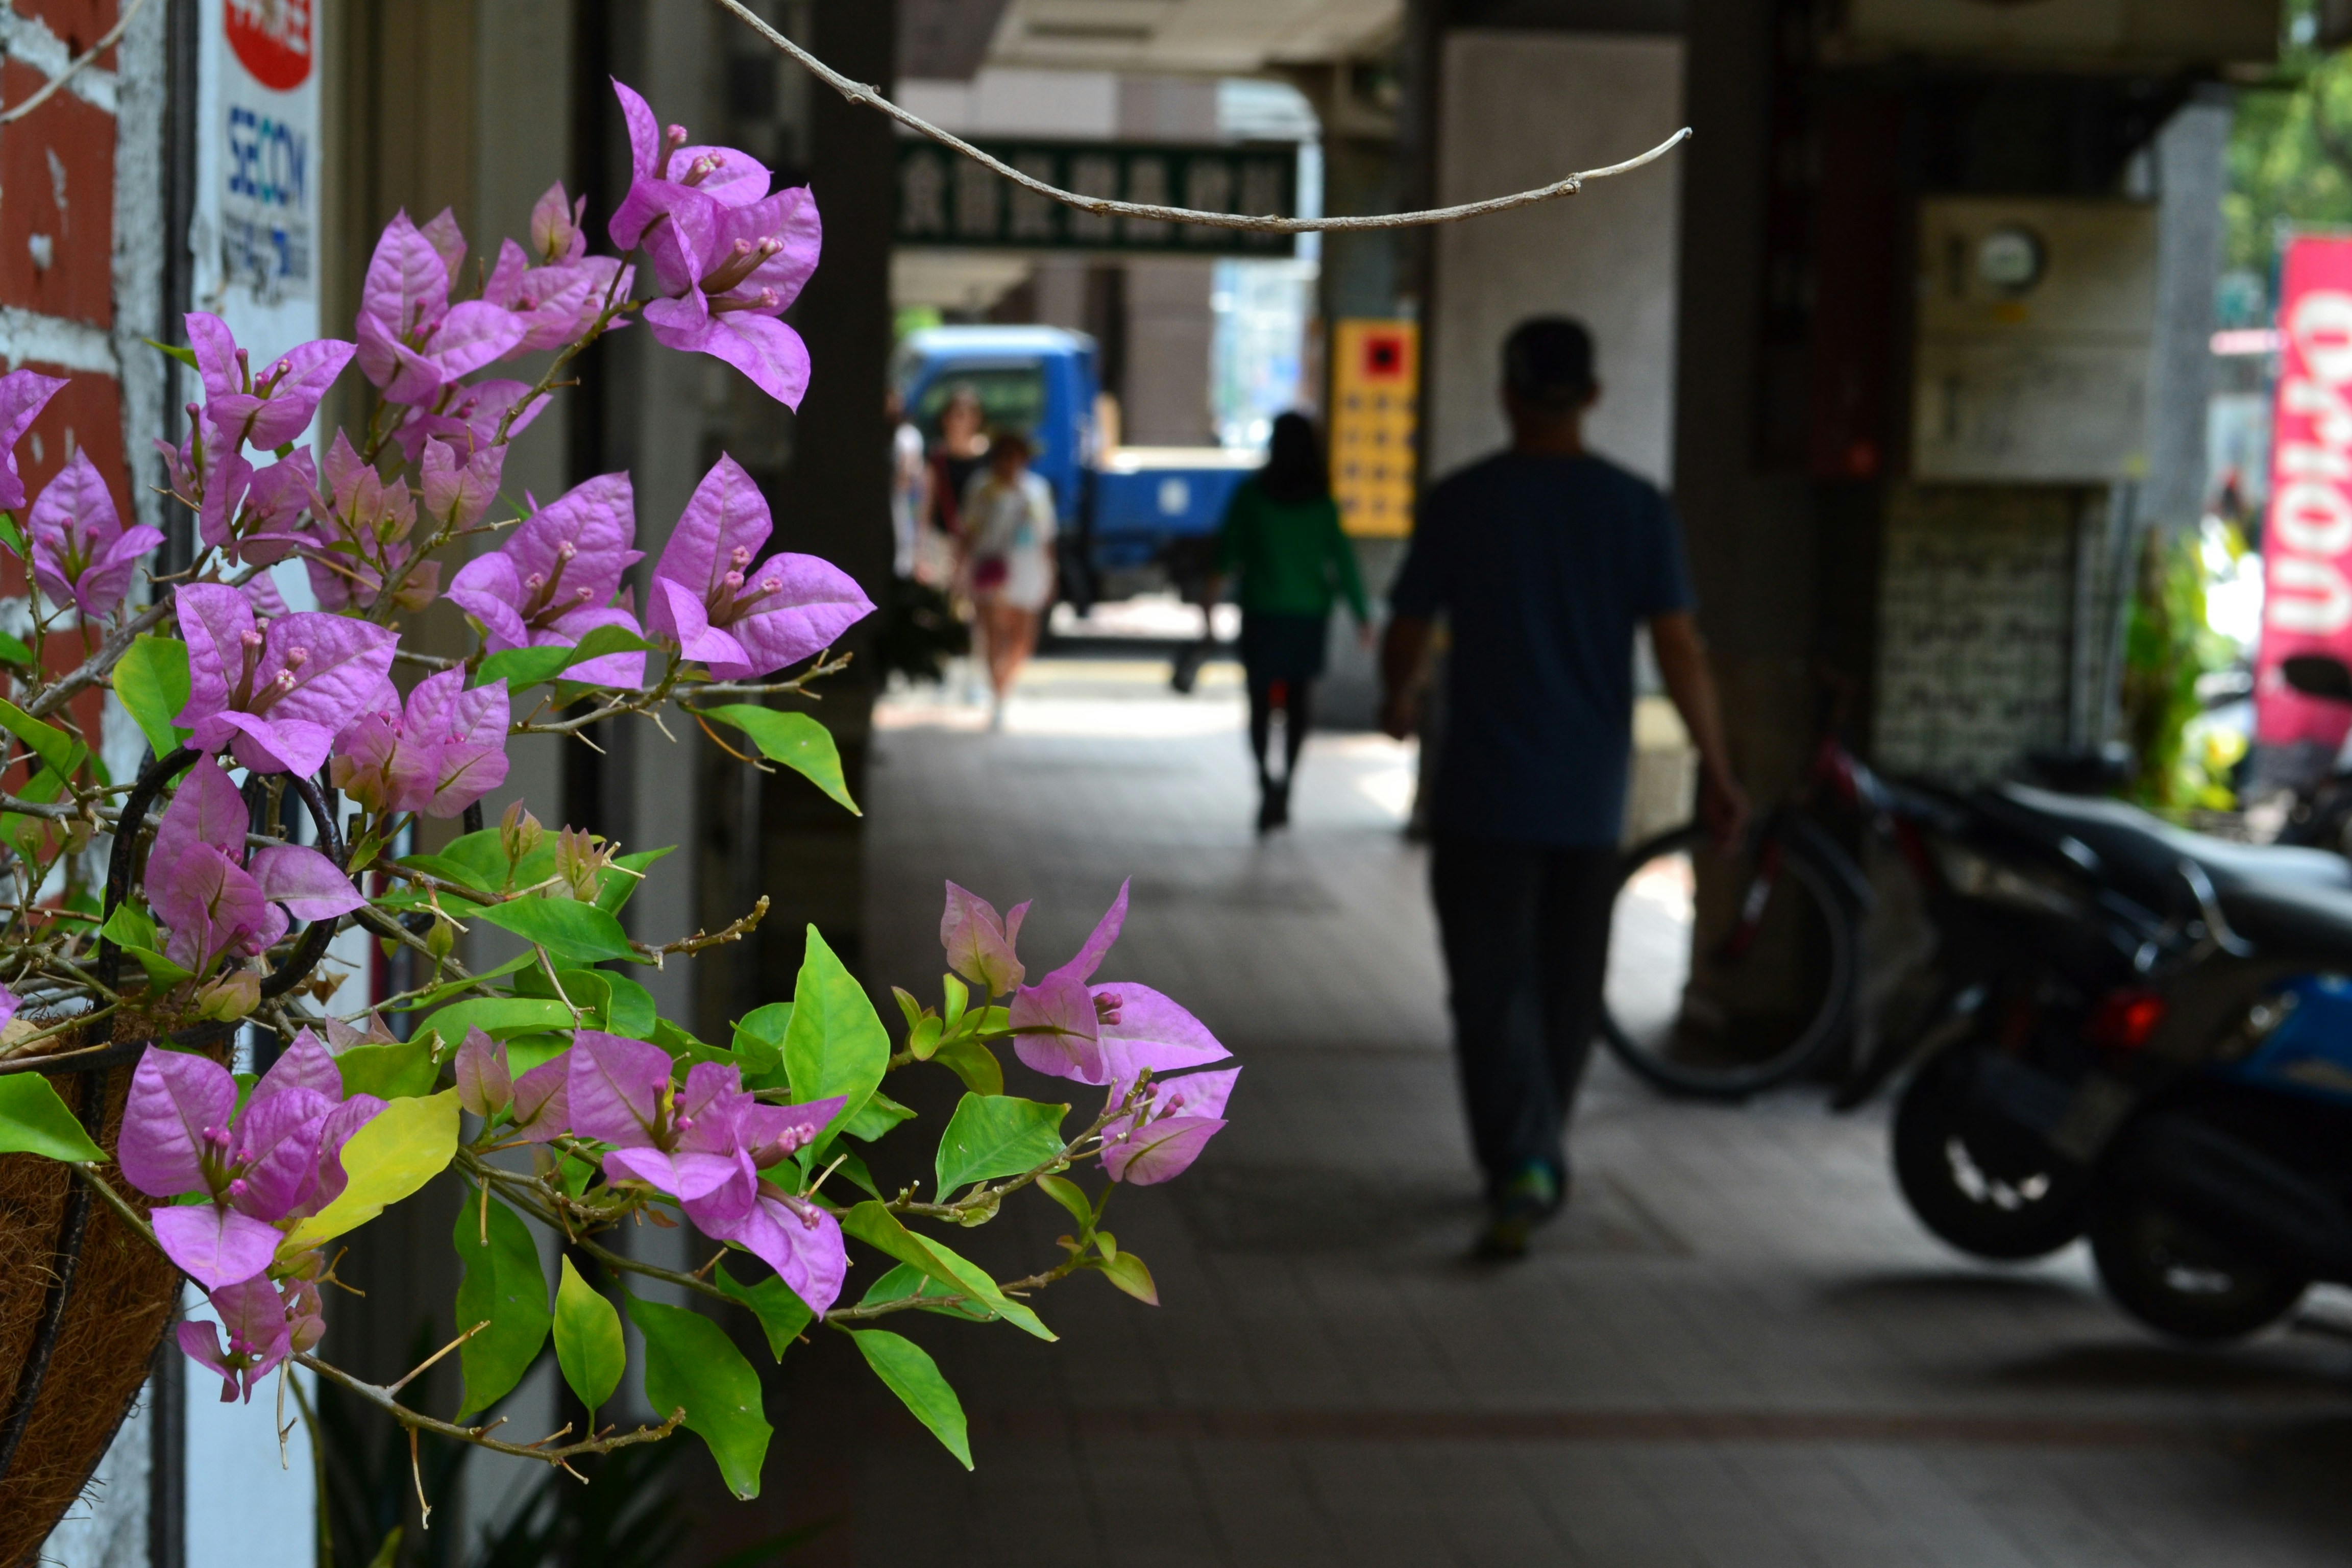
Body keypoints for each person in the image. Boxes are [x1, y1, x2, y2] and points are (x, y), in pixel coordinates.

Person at [1379, 316, 1748, 1260]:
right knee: (1567, 985)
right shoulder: (1635, 508)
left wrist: (1397, 697)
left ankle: (1523, 1161)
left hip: (1479, 797)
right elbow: (1679, 648)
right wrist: (1717, 764)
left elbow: (1409, 622)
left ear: (1505, 394)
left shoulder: (1462, 502)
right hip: (1587, 800)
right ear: (1590, 395)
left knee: (1488, 987)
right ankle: (1535, 1155)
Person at [1210, 412, 1370, 831]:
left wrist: (1207, 609)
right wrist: (1363, 615)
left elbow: (1225, 556)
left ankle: (1266, 780)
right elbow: (1344, 563)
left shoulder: (1250, 496)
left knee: (1260, 704)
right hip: (1308, 616)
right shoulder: (1322, 503)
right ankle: (1288, 785)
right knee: (1298, 705)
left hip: (1262, 613)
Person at [959, 428, 1058, 729]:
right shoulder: (982, 489)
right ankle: (999, 695)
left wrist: (1052, 573)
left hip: (1028, 571)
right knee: (991, 634)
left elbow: (1048, 536)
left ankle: (1003, 684)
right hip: (990, 570)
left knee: (1023, 639)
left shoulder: (1036, 490)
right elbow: (969, 531)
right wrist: (961, 570)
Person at [922, 385, 988, 586]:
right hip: (943, 541)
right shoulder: (937, 457)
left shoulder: (986, 455)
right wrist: (921, 553)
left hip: (977, 543)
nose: (960, 422)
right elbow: (927, 504)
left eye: (967, 415)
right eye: (956, 415)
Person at [888, 389, 928, 580]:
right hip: (902, 495)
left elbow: (909, 464)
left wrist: (905, 480)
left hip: (907, 495)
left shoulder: (907, 434)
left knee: (907, 534)